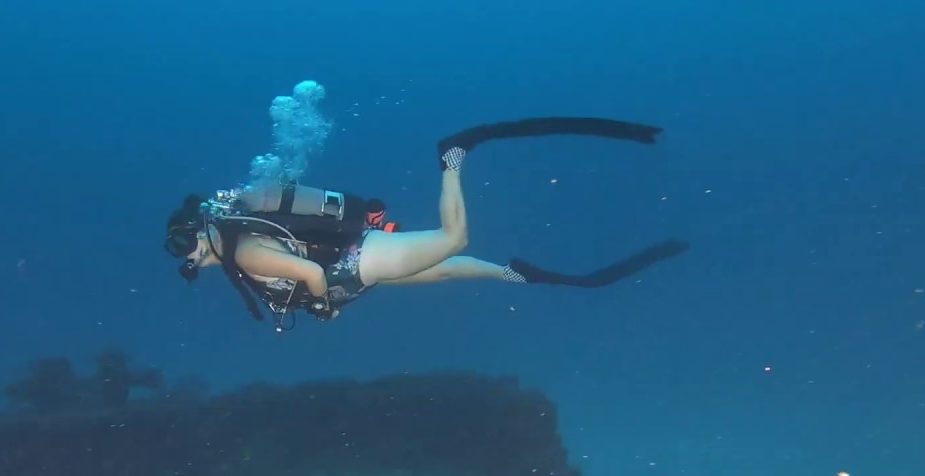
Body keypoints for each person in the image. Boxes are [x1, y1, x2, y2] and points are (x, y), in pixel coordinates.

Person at [164, 116, 690, 332]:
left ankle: (453, 158)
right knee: (445, 270)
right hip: (360, 266)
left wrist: (324, 307)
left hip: (354, 264)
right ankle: (514, 273)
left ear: (197, 234)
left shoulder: (241, 252)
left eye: (183, 247)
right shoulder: (236, 241)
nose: (188, 258)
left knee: (453, 240)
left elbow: (309, 277)